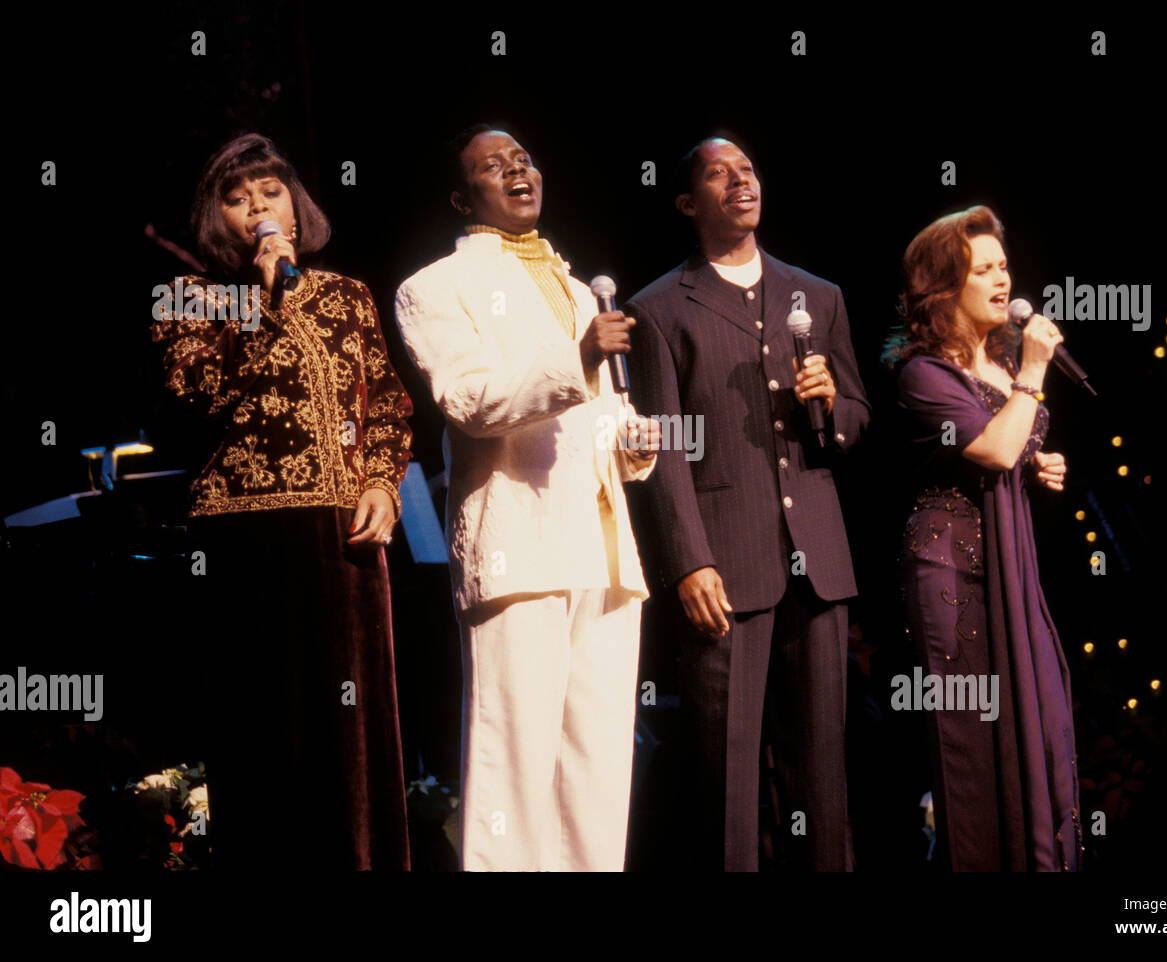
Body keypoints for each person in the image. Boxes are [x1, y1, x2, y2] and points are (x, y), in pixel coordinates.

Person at [394, 125, 661, 872]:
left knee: (597, 775)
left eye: (523, 158)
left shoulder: (577, 289)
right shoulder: (432, 287)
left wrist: (633, 442)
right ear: (460, 195)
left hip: (603, 555)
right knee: (513, 771)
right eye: (491, 165)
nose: (516, 170)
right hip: (517, 546)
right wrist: (577, 356)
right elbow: (471, 401)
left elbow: (595, 415)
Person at [149, 133, 414, 870]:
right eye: (237, 199)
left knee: (356, 736)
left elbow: (388, 402)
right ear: (216, 220)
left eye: (269, 193)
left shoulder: (350, 296)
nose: (257, 208)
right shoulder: (191, 299)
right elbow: (197, 394)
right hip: (251, 541)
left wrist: (382, 487)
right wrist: (266, 297)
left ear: (296, 207)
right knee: (270, 730)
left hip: (347, 538)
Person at [625, 137, 870, 871]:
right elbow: (663, 448)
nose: (740, 180)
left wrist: (835, 408)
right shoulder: (660, 309)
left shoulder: (816, 296)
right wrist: (687, 562)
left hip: (817, 560)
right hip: (725, 567)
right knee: (725, 775)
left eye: (749, 168)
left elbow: (857, 415)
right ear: (686, 202)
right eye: (717, 173)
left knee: (821, 774)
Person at [889, 204, 1080, 871]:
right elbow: (995, 450)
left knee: (1038, 725)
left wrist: (1038, 465)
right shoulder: (923, 373)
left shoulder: (1000, 365)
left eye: (1005, 266)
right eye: (985, 269)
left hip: (1010, 567)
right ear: (946, 287)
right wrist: (1032, 374)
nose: (1004, 280)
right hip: (952, 575)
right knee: (970, 743)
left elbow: (1011, 453)